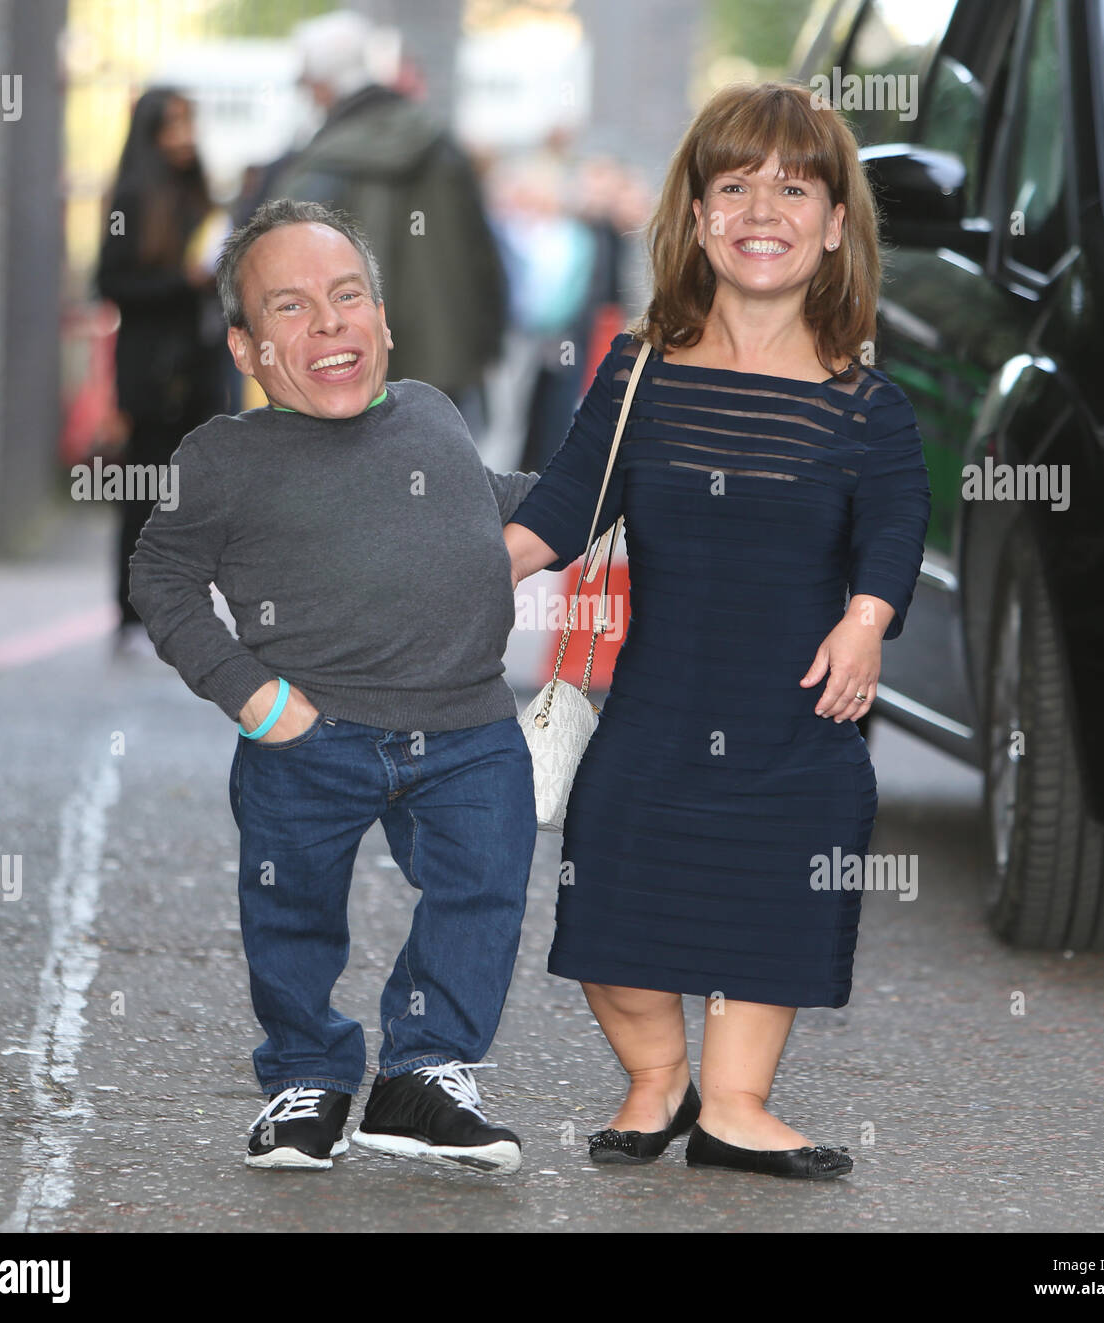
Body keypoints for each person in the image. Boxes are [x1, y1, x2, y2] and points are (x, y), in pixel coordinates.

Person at [503, 82, 931, 1180]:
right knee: (613, 902)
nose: (761, 208)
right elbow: (561, 507)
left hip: (794, 713)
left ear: (836, 223)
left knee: (774, 902)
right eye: (732, 184)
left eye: (794, 187)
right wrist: (459, 577)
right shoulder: (641, 369)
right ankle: (657, 1084)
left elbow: (895, 524)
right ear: (696, 215)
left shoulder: (863, 404)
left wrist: (868, 619)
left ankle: (736, 1106)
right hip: (655, 710)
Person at [128, 198, 538, 1174]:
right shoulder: (223, 459)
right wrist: (251, 695)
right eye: (290, 308)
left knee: (482, 886)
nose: (328, 324)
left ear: (385, 320)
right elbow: (159, 576)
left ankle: (419, 1075)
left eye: (347, 296)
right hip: (309, 737)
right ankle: (305, 1073)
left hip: (467, 726)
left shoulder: (434, 415)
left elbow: (500, 504)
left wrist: (607, 498)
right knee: (293, 909)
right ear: (245, 345)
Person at [262, 9, 506, 430]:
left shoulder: (320, 168)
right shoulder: (441, 147)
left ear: (321, 85)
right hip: (446, 377)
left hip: (351, 378)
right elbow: (484, 258)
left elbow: (277, 271)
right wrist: (486, 348)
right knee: (441, 489)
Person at [97, 87, 228, 650]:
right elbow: (108, 283)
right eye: (172, 126)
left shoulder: (198, 192)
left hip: (198, 364)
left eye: (188, 123)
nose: (184, 137)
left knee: (189, 497)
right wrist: (182, 281)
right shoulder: (131, 196)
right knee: (143, 492)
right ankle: (128, 615)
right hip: (151, 370)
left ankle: (174, 614)